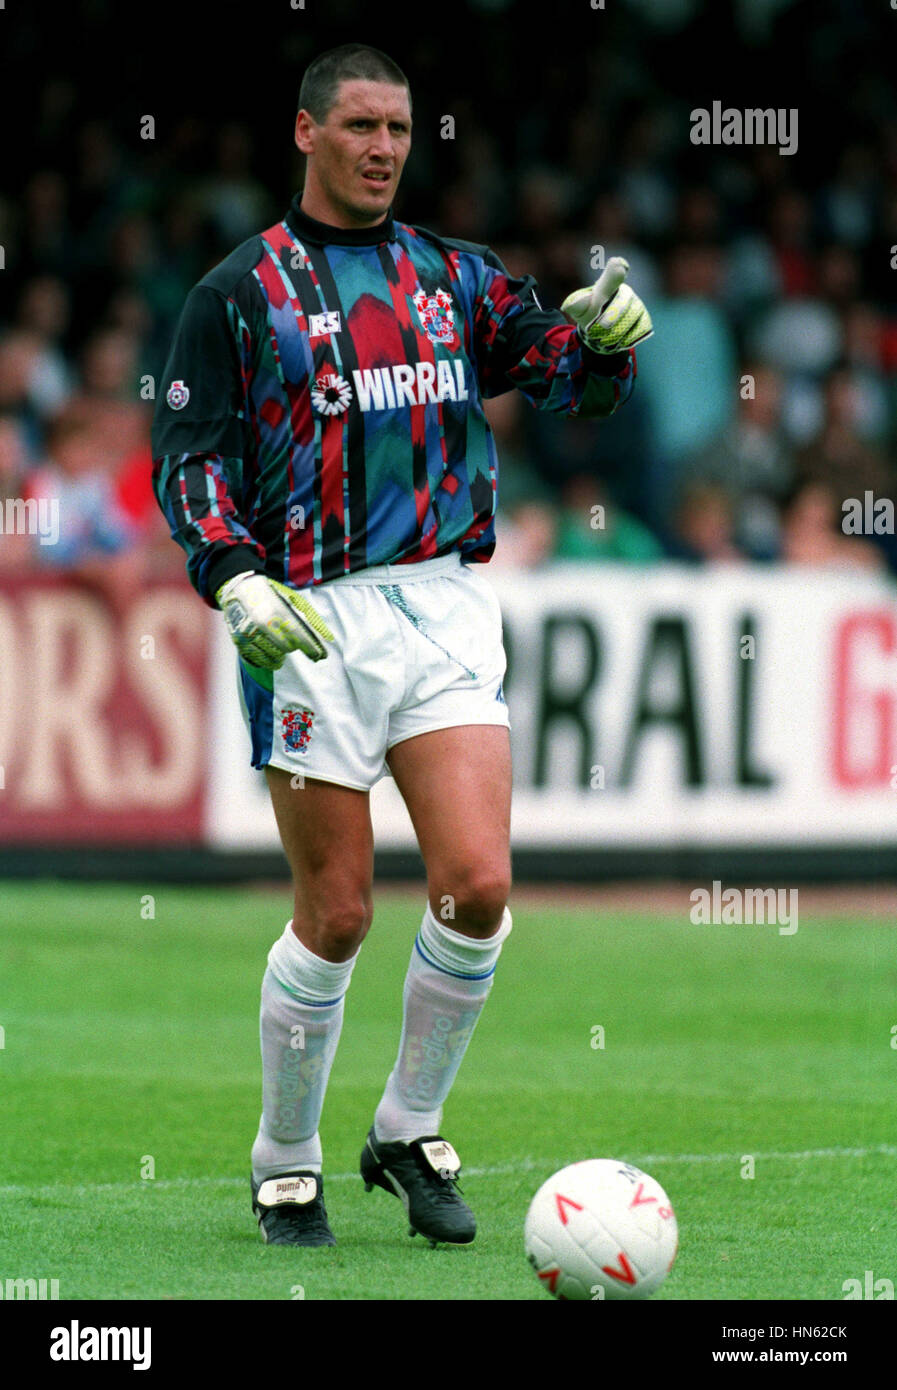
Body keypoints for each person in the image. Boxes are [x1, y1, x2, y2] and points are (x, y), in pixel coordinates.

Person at [151, 43, 650, 1250]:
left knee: (477, 886)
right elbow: (191, 463)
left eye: (400, 129)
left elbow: (561, 380)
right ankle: (285, 1157)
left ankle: (407, 1124)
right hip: (311, 617)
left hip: (441, 602)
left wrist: (604, 343)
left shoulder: (452, 276)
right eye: (362, 125)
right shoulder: (237, 292)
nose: (384, 148)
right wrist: (232, 579)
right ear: (307, 133)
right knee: (336, 914)